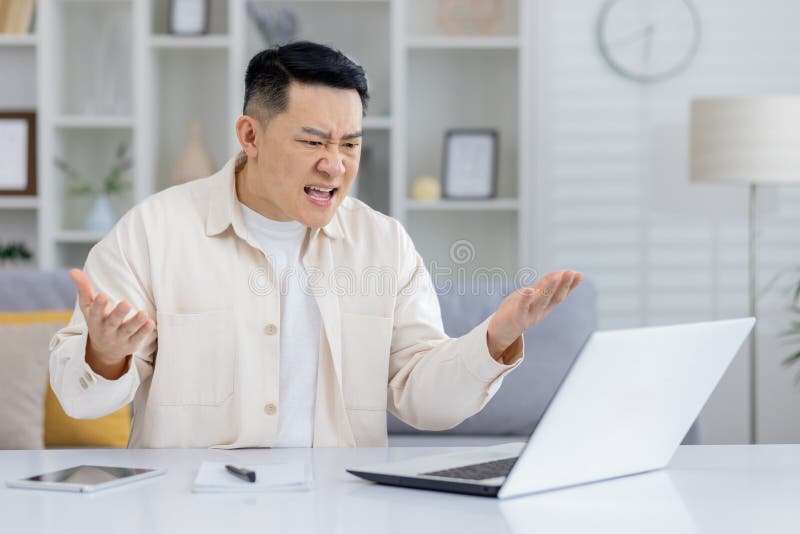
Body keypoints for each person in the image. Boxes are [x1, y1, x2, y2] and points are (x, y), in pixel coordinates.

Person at [49, 41, 582, 448]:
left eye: (350, 143)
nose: (336, 164)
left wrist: (494, 338)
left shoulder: (383, 243)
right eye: (312, 142)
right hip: (187, 510)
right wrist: (106, 354)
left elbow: (424, 400)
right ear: (250, 136)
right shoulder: (154, 233)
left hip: (341, 508)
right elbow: (79, 400)